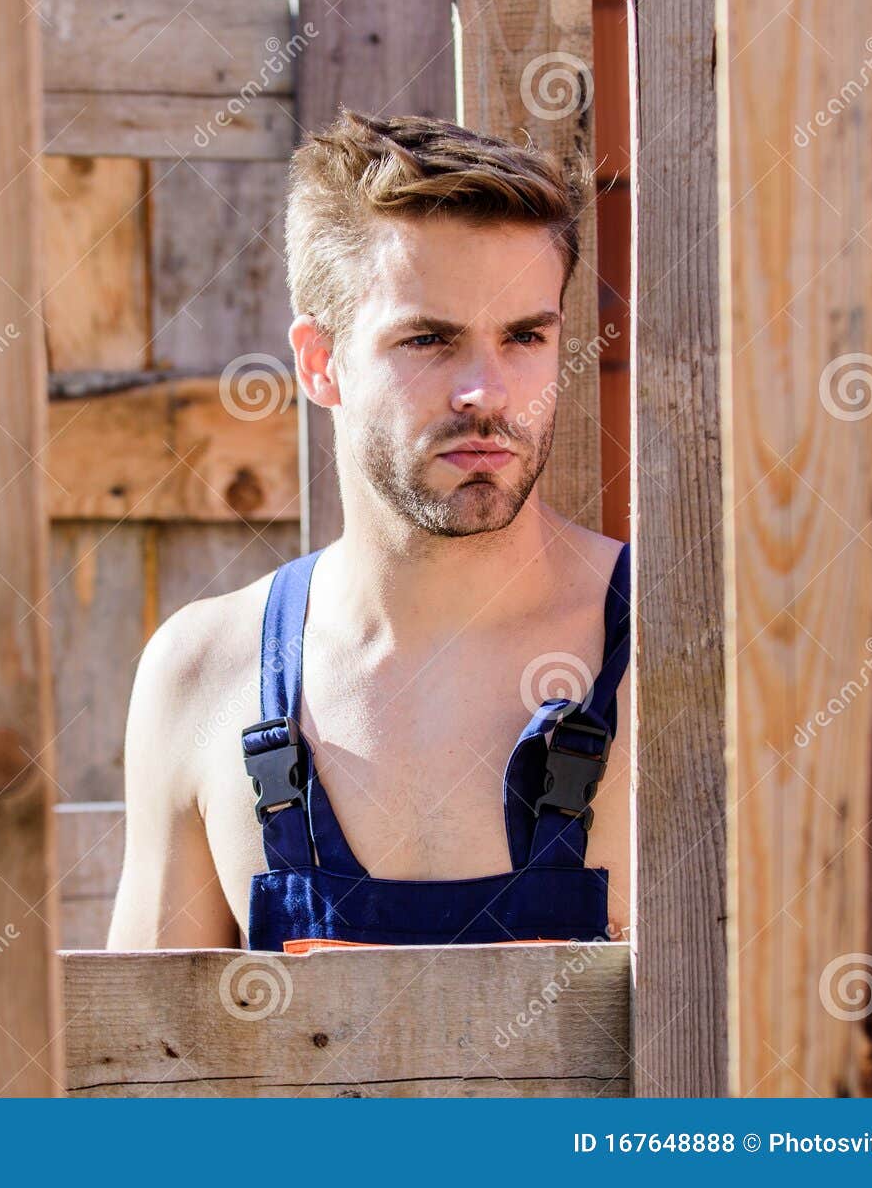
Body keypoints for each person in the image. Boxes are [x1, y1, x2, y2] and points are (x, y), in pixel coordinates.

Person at [107, 111, 629, 952]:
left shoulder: (680, 656)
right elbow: (143, 1037)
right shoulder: (204, 675)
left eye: (525, 336)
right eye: (429, 339)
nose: (487, 391)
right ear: (320, 362)